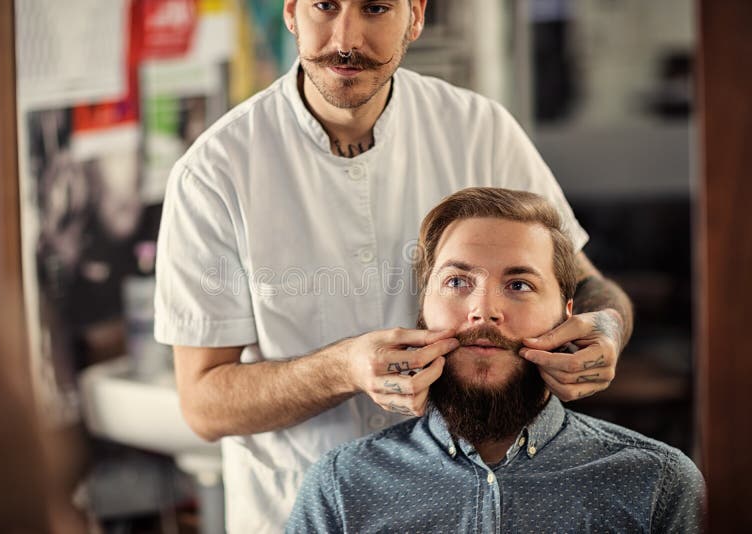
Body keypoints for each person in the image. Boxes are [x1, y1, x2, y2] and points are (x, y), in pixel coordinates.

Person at [154, 1, 633, 531]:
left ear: (416, 15)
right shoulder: (214, 173)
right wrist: (342, 368)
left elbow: (587, 286)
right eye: (324, 5)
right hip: (292, 509)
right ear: (291, 10)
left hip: (471, 506)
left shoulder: (479, 130)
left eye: (376, 7)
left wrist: (606, 330)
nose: (346, 38)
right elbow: (203, 405)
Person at [286, 187, 704, 533]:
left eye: (519, 284)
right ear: (422, 314)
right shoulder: (341, 487)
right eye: (456, 281)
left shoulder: (657, 485)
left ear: (567, 315)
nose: (483, 311)